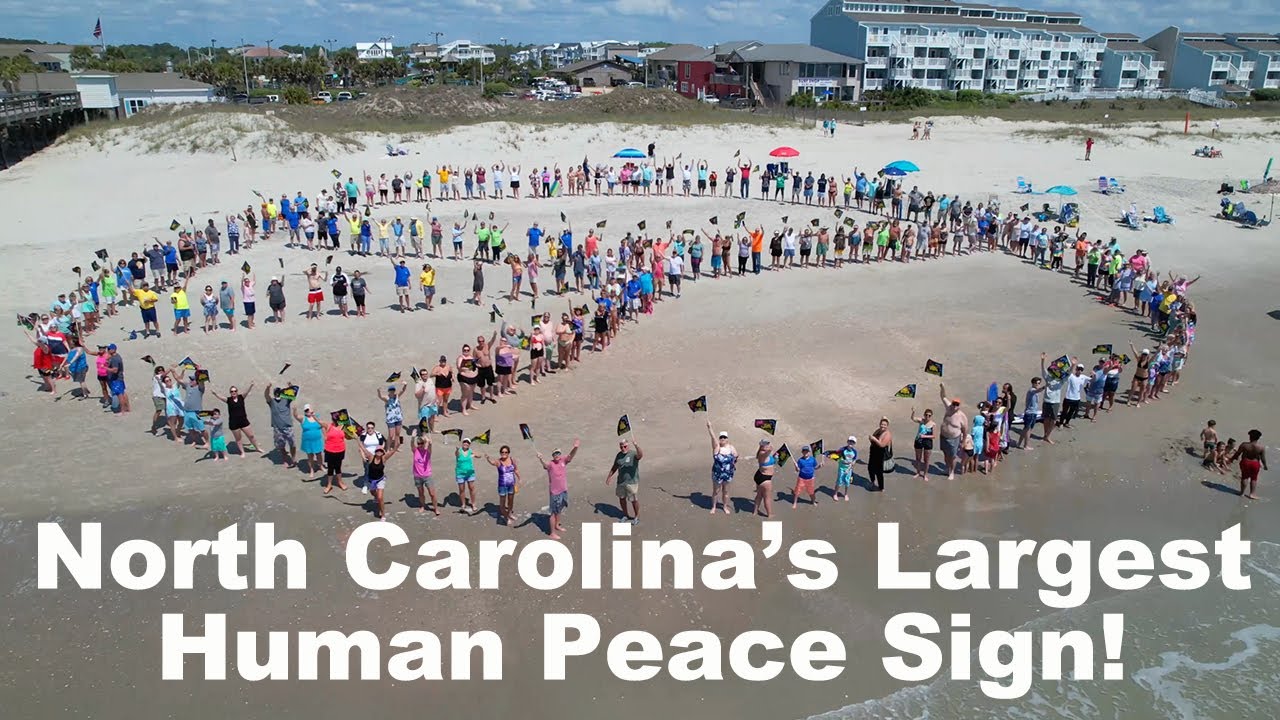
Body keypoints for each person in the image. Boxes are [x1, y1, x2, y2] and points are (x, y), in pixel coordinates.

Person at [537, 440, 580, 540]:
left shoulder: (563, 460)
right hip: (554, 492)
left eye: (558, 453)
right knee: (553, 513)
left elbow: (571, 455)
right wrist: (541, 459)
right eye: (554, 454)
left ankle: (557, 525)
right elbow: (545, 466)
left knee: (559, 509)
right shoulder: (551, 464)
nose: (556, 455)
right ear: (552, 456)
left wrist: (575, 447)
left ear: (560, 454)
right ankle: (552, 533)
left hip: (563, 490)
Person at [359, 438, 398, 519]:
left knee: (380, 498)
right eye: (377, 451)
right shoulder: (371, 457)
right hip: (371, 480)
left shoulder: (384, 458)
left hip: (380, 479)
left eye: (381, 451)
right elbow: (363, 448)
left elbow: (394, 450)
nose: (379, 452)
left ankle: (383, 514)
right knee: (373, 493)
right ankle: (377, 499)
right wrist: (356, 438)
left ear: (383, 452)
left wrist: (398, 441)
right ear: (375, 452)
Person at [606, 438, 642, 524]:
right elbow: (615, 466)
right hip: (621, 481)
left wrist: (636, 446)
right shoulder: (619, 455)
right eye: (621, 447)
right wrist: (609, 476)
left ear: (628, 446)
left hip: (631, 482)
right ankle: (625, 515)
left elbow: (640, 455)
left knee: (633, 500)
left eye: (625, 446)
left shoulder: (633, 454)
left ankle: (636, 517)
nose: (623, 448)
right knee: (622, 498)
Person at [484, 445, 521, 527]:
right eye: (502, 452)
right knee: (502, 503)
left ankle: (510, 513)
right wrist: (488, 458)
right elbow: (492, 463)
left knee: (511, 501)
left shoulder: (512, 460)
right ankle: (506, 517)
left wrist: (520, 478)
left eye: (506, 452)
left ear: (508, 453)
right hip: (502, 485)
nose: (504, 453)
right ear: (500, 453)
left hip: (511, 484)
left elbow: (516, 470)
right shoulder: (498, 461)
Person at [937, 383, 967, 479]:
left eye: (957, 404)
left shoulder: (962, 416)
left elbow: (965, 431)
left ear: (959, 406)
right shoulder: (949, 407)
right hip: (943, 436)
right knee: (946, 454)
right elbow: (943, 396)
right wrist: (942, 387)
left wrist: (963, 441)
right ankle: (947, 468)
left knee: (953, 456)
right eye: (954, 404)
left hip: (954, 439)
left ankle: (952, 472)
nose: (954, 406)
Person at [707, 422, 737, 515]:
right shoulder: (717, 448)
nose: (723, 439)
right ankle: (714, 507)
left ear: (727, 439)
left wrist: (734, 462)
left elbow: (736, 456)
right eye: (721, 437)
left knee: (726, 491)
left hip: (728, 474)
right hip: (717, 473)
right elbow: (713, 438)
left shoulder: (731, 448)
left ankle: (725, 506)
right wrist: (710, 427)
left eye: (724, 437)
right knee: (716, 491)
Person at [264, 382, 297, 467]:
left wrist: (290, 386)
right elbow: (266, 395)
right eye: (276, 393)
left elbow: (294, 392)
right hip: (277, 428)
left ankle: (293, 459)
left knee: (293, 444)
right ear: (274, 394)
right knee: (281, 446)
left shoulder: (286, 400)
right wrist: (268, 387)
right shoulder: (272, 402)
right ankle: (285, 459)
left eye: (279, 393)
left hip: (288, 427)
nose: (277, 394)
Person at [1228, 430, 1267, 499]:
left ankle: (1242, 493)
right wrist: (1265, 465)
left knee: (1244, 477)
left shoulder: (1244, 445)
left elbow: (1237, 453)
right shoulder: (1261, 447)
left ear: (1250, 437)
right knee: (1254, 478)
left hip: (1245, 462)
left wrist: (1232, 459)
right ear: (1258, 438)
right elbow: (1263, 458)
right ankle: (1252, 494)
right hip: (1255, 463)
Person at [412, 434, 439, 515]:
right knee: (421, 493)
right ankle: (422, 506)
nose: (420, 445)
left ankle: (436, 508)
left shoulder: (427, 451)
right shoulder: (415, 450)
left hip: (427, 475)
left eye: (421, 443)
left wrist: (429, 442)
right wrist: (413, 437)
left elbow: (430, 445)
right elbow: (411, 444)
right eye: (418, 443)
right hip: (417, 475)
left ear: (424, 444)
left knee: (432, 493)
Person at [294, 404, 324, 480]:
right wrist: (294, 410)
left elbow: (322, 426)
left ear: (312, 409)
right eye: (306, 410)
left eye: (308, 409)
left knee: (319, 454)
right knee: (310, 456)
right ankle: (311, 470)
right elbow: (296, 416)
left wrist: (325, 435)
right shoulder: (303, 418)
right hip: (308, 441)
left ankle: (321, 466)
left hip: (317, 440)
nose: (307, 411)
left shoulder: (317, 417)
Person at [751, 438, 775, 518]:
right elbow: (767, 452)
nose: (767, 445)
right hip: (765, 478)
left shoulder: (764, 453)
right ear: (761, 446)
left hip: (760, 475)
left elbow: (769, 456)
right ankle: (769, 514)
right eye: (765, 444)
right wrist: (770, 449)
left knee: (759, 495)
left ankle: (755, 511)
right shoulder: (762, 454)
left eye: (767, 443)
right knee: (767, 497)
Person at [792, 444, 822, 508]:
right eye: (804, 451)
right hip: (801, 478)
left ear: (809, 452)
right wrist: (796, 467)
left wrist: (819, 466)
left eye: (806, 451)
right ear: (802, 452)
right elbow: (798, 470)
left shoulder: (813, 459)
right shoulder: (800, 460)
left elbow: (815, 468)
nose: (805, 453)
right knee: (797, 491)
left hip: (810, 479)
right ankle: (795, 502)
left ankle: (813, 501)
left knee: (811, 491)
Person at [868, 417, 892, 491]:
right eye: (882, 424)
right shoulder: (878, 430)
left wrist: (874, 439)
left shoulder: (887, 434)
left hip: (880, 454)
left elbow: (882, 445)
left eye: (884, 425)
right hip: (873, 452)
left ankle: (881, 487)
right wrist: (871, 439)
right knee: (870, 468)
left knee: (879, 472)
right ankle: (872, 481)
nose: (883, 426)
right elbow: (873, 439)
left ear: (887, 426)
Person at [910, 407, 935, 478]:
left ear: (931, 416)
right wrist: (913, 412)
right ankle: (918, 473)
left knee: (926, 460)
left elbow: (933, 436)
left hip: (928, 442)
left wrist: (924, 436)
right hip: (918, 440)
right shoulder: (921, 421)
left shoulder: (933, 424)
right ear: (924, 415)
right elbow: (912, 418)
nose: (927, 416)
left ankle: (925, 474)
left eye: (929, 415)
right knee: (918, 458)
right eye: (926, 415)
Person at [455, 437, 478, 513]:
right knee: (462, 489)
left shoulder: (470, 451)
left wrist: (475, 455)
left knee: (471, 488)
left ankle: (473, 504)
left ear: (469, 444)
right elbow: (457, 454)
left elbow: (479, 456)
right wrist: (457, 450)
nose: (466, 443)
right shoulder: (459, 451)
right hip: (460, 473)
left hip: (470, 473)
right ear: (462, 443)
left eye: (468, 443)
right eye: (465, 442)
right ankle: (463, 504)